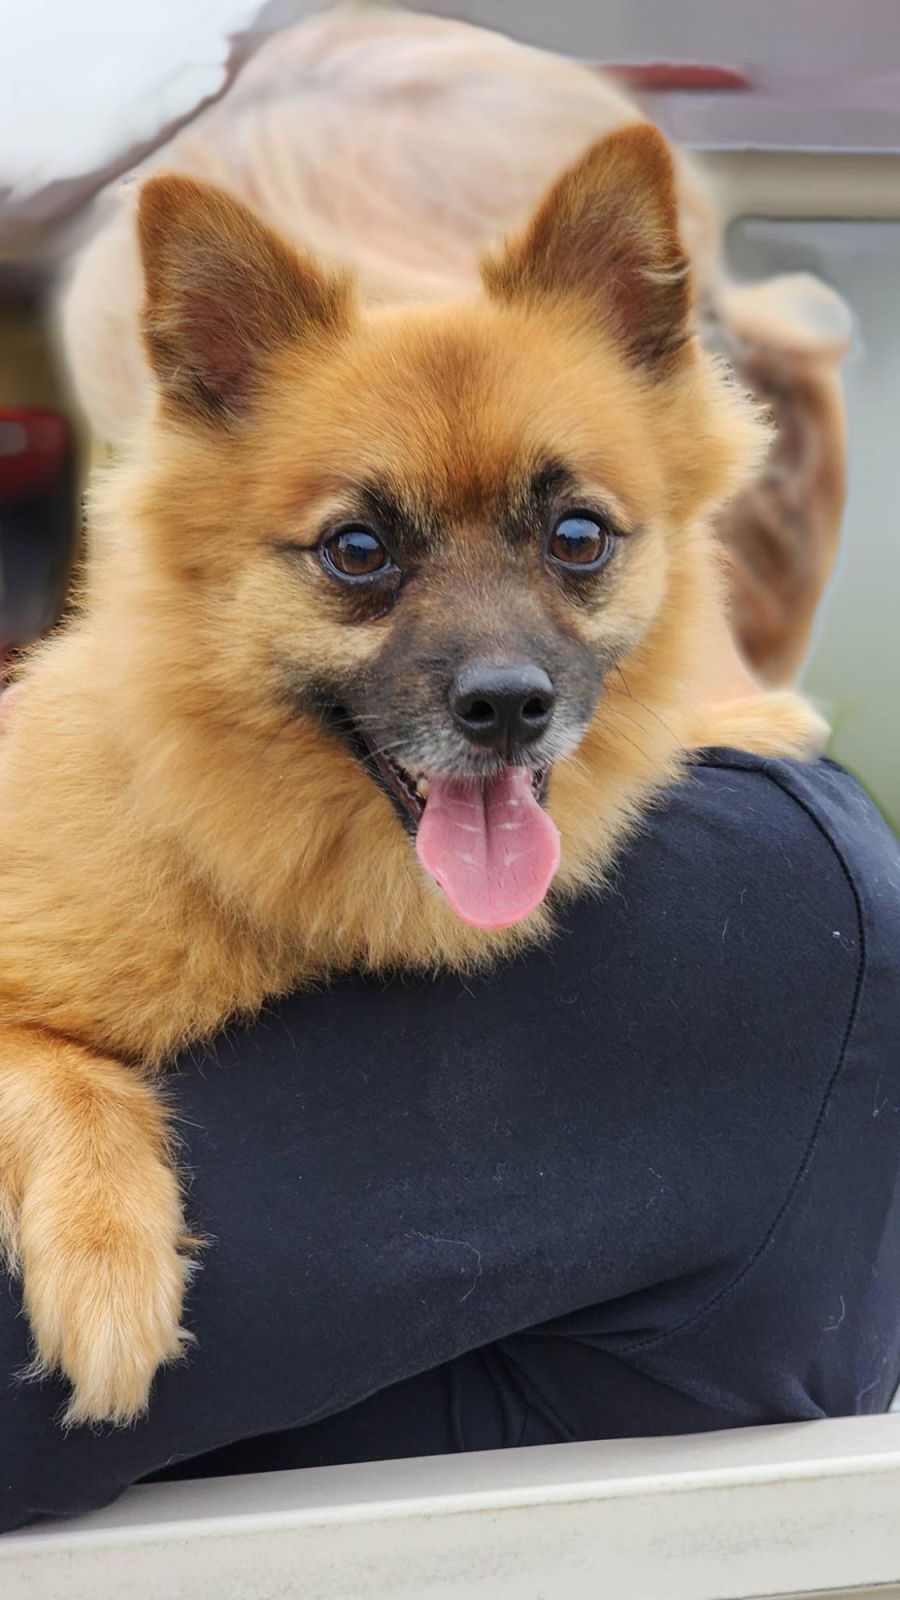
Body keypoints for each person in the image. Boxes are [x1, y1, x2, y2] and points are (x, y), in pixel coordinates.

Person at [3, 9, 898, 1537]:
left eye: (571, 545)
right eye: (364, 554)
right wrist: (69, 1123)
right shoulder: (101, 817)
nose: (498, 666)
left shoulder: (749, 902)